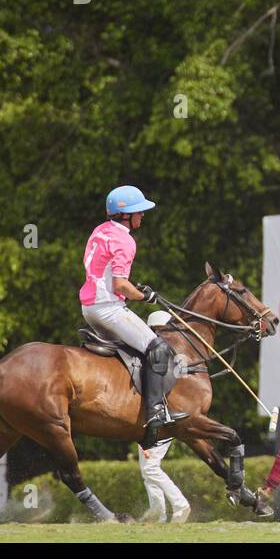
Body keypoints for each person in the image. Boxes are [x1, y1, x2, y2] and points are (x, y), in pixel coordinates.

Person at [79, 185, 187, 448]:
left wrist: (134, 289)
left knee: (135, 353)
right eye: (139, 211)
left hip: (89, 307)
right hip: (108, 308)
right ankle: (155, 414)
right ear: (125, 215)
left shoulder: (99, 231)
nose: (142, 216)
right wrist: (143, 296)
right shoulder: (125, 240)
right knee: (158, 348)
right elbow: (119, 285)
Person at [136, 310, 191, 524]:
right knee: (147, 469)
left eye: (160, 330)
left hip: (164, 419)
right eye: (156, 331)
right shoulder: (170, 355)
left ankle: (180, 505)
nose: (158, 335)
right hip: (150, 420)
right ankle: (157, 513)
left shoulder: (171, 355)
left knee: (150, 468)